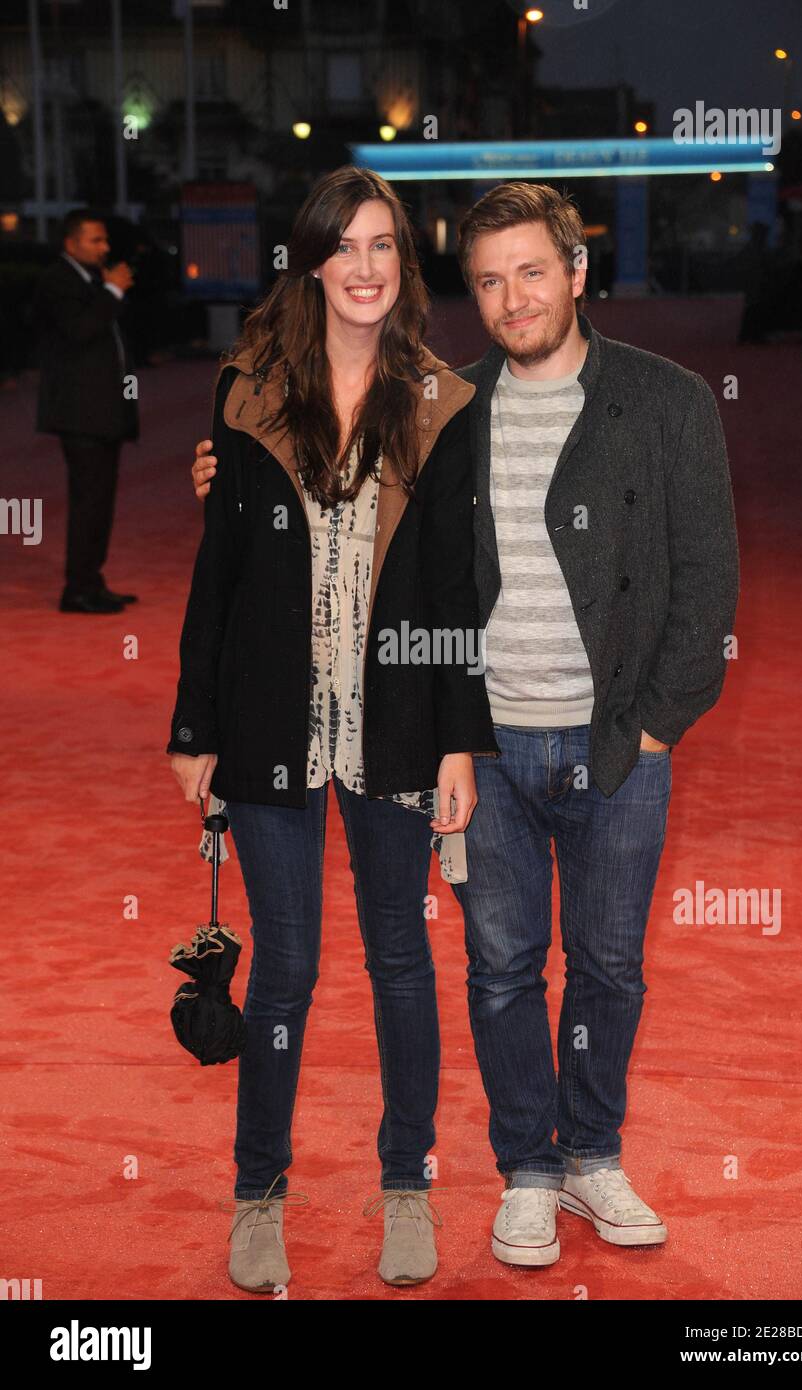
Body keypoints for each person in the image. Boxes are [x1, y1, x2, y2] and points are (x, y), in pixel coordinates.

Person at [191, 180, 740, 1271]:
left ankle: (587, 1155)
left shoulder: (650, 400)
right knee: (492, 968)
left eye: (533, 271)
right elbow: (319, 551)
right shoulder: (447, 400)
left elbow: (706, 574)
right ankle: (524, 1169)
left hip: (596, 739)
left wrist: (660, 724)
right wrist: (221, 478)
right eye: (489, 279)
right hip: (475, 736)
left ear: (577, 273)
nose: (511, 296)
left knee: (608, 963)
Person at [166, 166, 497, 1293]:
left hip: (397, 722)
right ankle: (260, 1193)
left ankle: (405, 1182)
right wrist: (191, 725)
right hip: (269, 722)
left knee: (401, 960)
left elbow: (456, 588)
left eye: (385, 247)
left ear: (403, 265)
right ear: (310, 263)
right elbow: (218, 573)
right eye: (344, 247)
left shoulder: (440, 400)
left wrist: (460, 741)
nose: (365, 268)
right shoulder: (247, 390)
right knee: (289, 966)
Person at [33, 209, 138, 613]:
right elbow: (80, 331)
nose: (105, 247)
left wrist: (110, 291)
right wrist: (111, 293)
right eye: (95, 240)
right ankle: (77, 589)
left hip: (102, 412)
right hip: (79, 413)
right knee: (88, 501)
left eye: (105, 240)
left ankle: (91, 581)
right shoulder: (56, 281)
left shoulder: (92, 279)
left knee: (100, 501)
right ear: (71, 243)